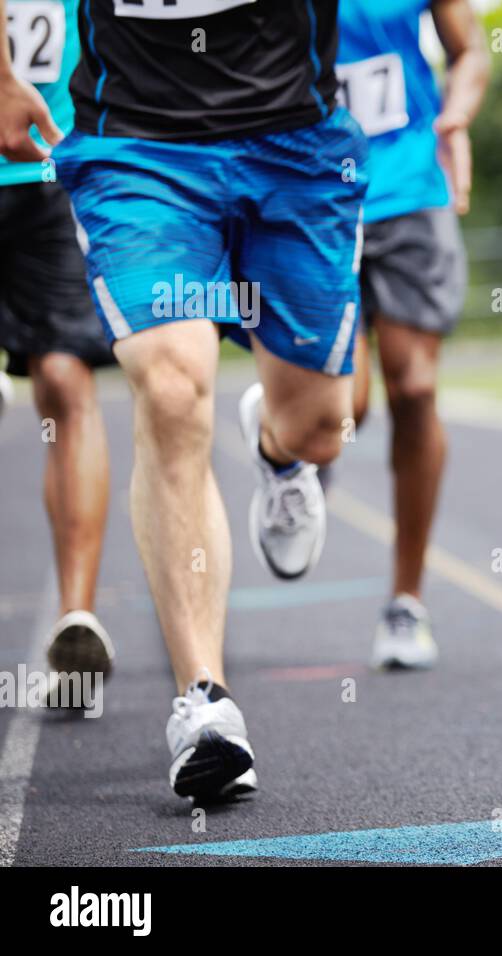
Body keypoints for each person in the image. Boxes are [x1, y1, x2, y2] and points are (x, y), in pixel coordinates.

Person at [0, 0, 369, 800]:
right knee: (170, 385)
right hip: (137, 144)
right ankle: (204, 704)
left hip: (295, 138)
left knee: (318, 427)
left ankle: (278, 450)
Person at [336, 0, 488, 670]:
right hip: (312, 192)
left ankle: (406, 600)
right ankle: (291, 452)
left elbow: (470, 48)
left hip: (411, 189)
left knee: (417, 389)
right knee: (344, 407)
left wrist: (456, 116)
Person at [0, 0, 117, 694]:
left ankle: (77, 619)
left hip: (50, 170)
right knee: (64, 387)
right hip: (42, 162)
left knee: (66, 382)